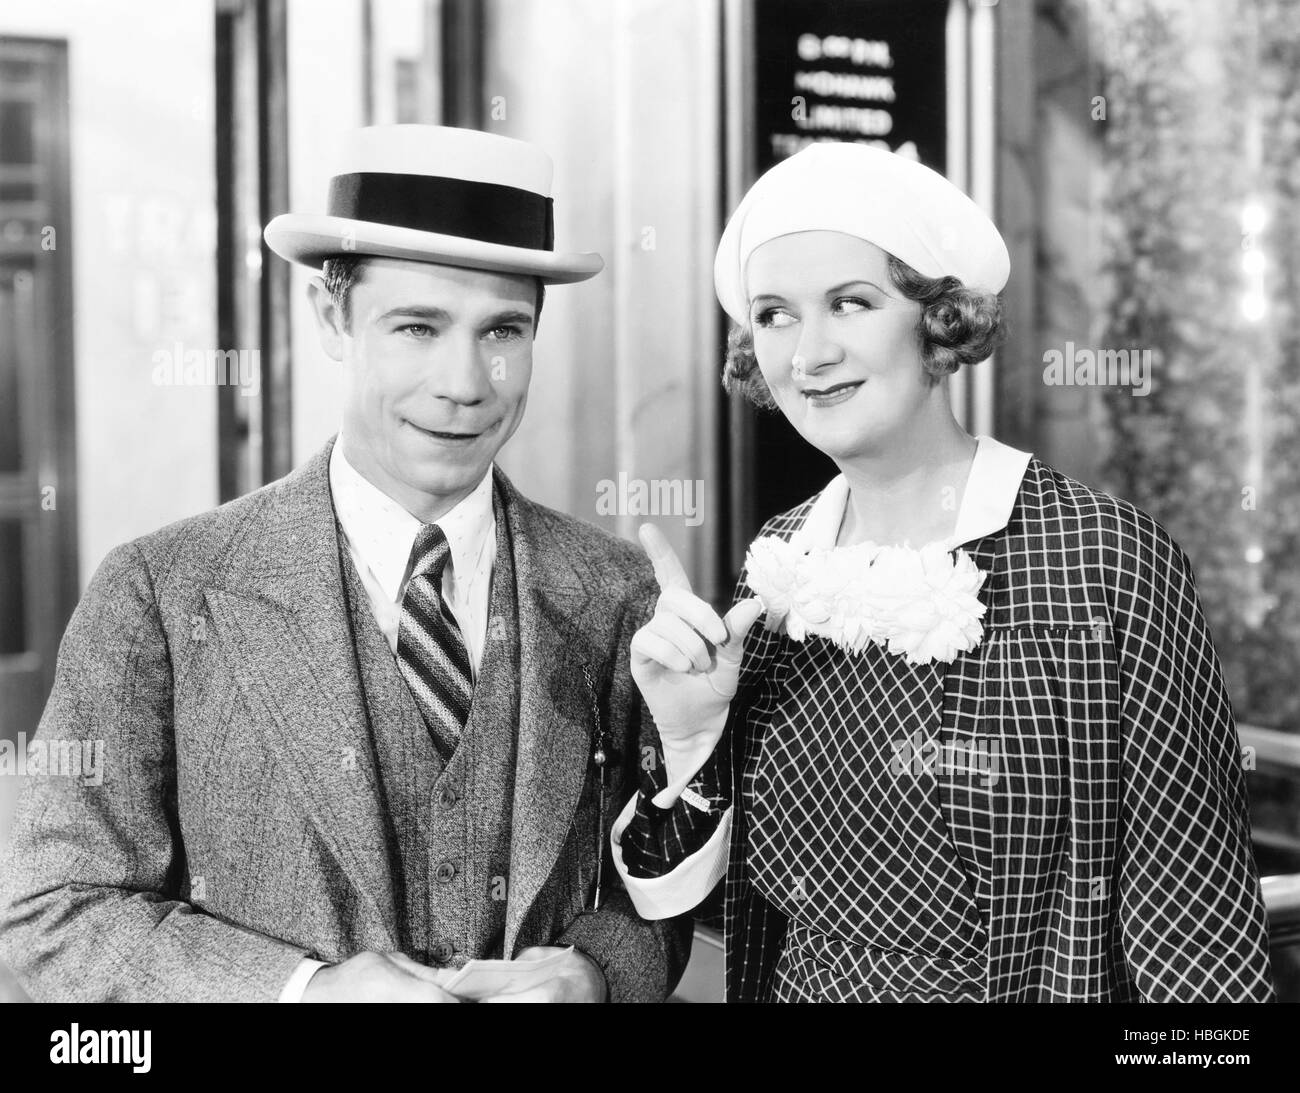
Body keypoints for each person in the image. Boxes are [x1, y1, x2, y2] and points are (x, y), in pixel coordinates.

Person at [0, 124, 690, 1002]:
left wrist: (597, 971)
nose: (465, 381)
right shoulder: (159, 593)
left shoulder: (615, 591)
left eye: (503, 330)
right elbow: (55, 909)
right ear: (334, 317)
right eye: (417, 326)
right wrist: (300, 991)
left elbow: (661, 888)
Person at [611, 141, 1275, 1003]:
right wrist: (692, 743)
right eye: (774, 315)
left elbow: (1199, 944)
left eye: (850, 303)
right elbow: (697, 902)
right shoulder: (781, 566)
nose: (807, 353)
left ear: (941, 318)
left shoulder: (1103, 561)